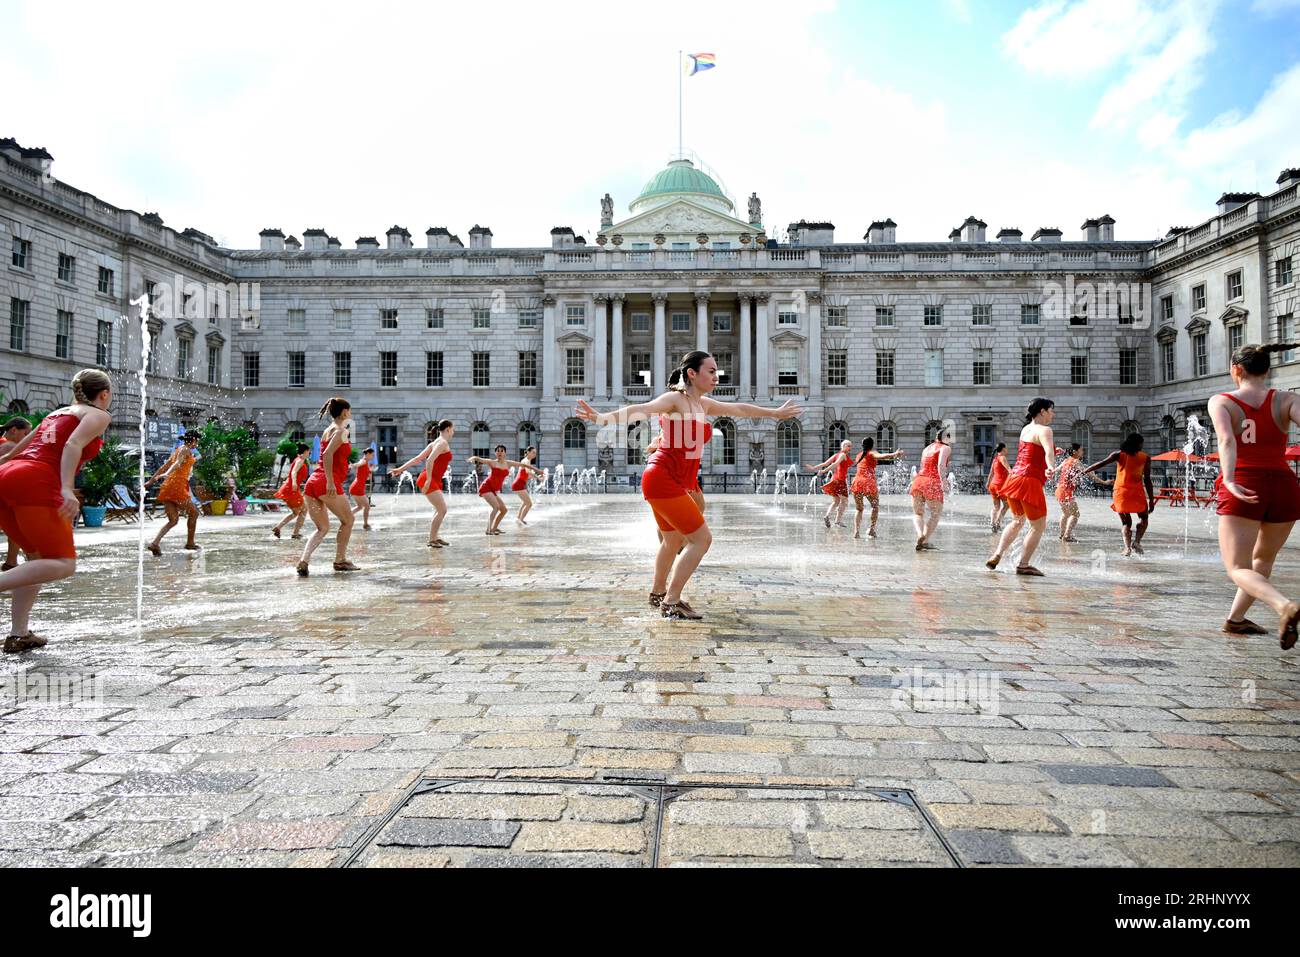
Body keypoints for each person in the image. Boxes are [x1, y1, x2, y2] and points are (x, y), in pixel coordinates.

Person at [575, 350, 801, 620]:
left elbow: (740, 408)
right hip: (663, 477)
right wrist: (602, 418)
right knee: (702, 539)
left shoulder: (702, 404)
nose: (716, 376)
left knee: (672, 540)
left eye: (717, 371)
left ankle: (658, 593)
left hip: (675, 479)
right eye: (711, 371)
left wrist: (774, 413)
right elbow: (642, 410)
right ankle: (672, 601)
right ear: (692, 374)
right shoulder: (676, 399)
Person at [0, 369, 112, 653]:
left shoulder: (58, 412)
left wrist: (5, 464)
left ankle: (19, 635)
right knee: (63, 562)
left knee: (36, 560)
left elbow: (23, 446)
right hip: (36, 480)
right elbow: (73, 444)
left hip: (9, 476)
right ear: (104, 394)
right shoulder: (97, 414)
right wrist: (65, 488)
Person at [1207, 343, 1300, 648]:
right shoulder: (1287, 399)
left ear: (1236, 370)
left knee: (1237, 568)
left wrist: (1230, 479)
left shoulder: (1222, 401)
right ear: (1267, 370)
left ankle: (1284, 606)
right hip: (1285, 486)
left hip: (1245, 483)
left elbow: (1226, 440)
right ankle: (1235, 620)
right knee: (1263, 559)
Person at [987, 398, 1057, 576]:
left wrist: (1053, 454)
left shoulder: (1025, 429)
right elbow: (1047, 452)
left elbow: (1031, 453)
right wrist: (1050, 467)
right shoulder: (1045, 430)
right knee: (1038, 526)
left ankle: (997, 553)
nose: (1053, 414)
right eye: (1051, 410)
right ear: (1042, 411)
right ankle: (1023, 564)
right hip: (1029, 481)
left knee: (1017, 521)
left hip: (1014, 479)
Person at [297, 397, 358, 575]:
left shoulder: (327, 430)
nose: (351, 415)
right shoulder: (341, 431)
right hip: (326, 483)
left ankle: (304, 560)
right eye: (350, 411)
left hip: (312, 483)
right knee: (348, 521)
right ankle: (340, 560)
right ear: (345, 412)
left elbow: (328, 455)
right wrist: (331, 481)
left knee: (322, 528)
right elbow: (328, 454)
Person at [1084, 434, 1153, 555]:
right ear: (1138, 444)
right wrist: (1152, 500)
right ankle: (1137, 542)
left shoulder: (1119, 455)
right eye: (1142, 443)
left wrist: (1086, 470)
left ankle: (1127, 548)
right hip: (1137, 493)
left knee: (1126, 523)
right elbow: (1147, 480)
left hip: (1121, 493)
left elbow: (1102, 463)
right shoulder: (1145, 458)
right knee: (1144, 518)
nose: (1142, 446)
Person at [393, 420, 455, 547]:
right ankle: (432, 540)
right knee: (442, 510)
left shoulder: (435, 443)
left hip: (433, 479)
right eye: (453, 429)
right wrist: (428, 480)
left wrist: (400, 469)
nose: (453, 432)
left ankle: (435, 537)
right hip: (430, 479)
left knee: (439, 510)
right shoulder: (442, 443)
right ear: (448, 429)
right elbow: (429, 460)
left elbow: (417, 459)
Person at [144, 431, 201, 555]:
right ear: (193, 440)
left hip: (168, 486)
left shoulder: (178, 449)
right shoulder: (185, 450)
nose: (197, 444)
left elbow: (163, 466)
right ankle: (190, 543)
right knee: (194, 513)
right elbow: (176, 464)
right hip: (177, 486)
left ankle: (155, 544)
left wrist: (151, 481)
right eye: (197, 441)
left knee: (173, 520)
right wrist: (166, 474)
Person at [468, 445, 539, 535]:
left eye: (502, 451)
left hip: (493, 490)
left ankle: (494, 528)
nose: (500, 452)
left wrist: (537, 470)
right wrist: (474, 457)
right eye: (498, 451)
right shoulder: (492, 462)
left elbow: (522, 465)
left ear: (505, 453)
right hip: (486, 487)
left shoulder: (508, 463)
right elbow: (481, 459)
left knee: (504, 510)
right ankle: (488, 530)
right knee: (496, 507)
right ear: (495, 453)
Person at [849, 437, 905, 539]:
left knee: (859, 509)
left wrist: (891, 456)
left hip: (857, 482)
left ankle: (856, 532)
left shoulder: (859, 455)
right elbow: (881, 456)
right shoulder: (871, 453)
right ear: (872, 445)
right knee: (875, 507)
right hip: (868, 483)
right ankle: (871, 529)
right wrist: (893, 454)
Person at [909, 431, 951, 550]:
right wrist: (943, 480)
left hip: (919, 481)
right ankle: (925, 540)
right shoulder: (945, 448)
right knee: (935, 514)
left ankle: (920, 535)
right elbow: (941, 465)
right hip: (932, 482)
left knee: (918, 513)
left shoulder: (927, 448)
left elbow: (922, 465)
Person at [0, 416, 33, 571]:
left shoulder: (4, 444)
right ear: (14, 430)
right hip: (7, 496)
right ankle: (14, 562)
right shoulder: (10, 446)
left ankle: (12, 562)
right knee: (17, 529)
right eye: (26, 434)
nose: (28, 439)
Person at [808, 440, 853, 528]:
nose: (850, 448)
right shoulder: (843, 455)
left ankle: (827, 516)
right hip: (840, 480)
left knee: (836, 501)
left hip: (835, 480)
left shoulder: (836, 455)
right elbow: (835, 464)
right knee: (844, 501)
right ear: (843, 446)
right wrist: (824, 471)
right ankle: (838, 521)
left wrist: (814, 468)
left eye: (851, 446)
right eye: (848, 446)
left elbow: (825, 463)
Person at [272, 442, 310, 539]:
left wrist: (294, 483)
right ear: (305, 451)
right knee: (303, 510)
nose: (309, 454)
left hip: (290, 488)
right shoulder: (300, 460)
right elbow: (293, 472)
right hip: (291, 488)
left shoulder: (298, 459)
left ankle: (278, 527)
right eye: (309, 452)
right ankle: (295, 533)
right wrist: (293, 482)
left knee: (297, 512)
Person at [510, 446, 540, 524]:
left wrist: (537, 477)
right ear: (528, 452)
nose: (535, 454)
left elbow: (528, 475)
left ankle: (518, 518)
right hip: (518, 484)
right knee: (529, 504)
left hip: (519, 483)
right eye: (533, 452)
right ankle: (521, 520)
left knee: (524, 502)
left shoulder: (526, 460)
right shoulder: (526, 460)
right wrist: (538, 477)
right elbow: (527, 471)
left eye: (535, 453)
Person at [986, 443, 1011, 533]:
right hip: (1000, 485)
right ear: (1003, 449)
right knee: (1007, 505)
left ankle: (992, 524)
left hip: (993, 485)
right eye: (1006, 448)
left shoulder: (995, 459)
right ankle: (998, 523)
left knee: (996, 507)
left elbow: (991, 473)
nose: (1007, 450)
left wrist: (988, 483)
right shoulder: (1002, 458)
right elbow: (1009, 470)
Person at [350, 447, 375, 530]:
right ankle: (365, 524)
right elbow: (359, 464)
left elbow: (366, 477)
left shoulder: (366, 462)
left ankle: (347, 515)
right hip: (357, 487)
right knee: (367, 506)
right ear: (368, 454)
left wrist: (369, 472)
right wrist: (354, 465)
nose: (373, 457)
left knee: (360, 507)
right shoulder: (364, 461)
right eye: (372, 455)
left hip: (356, 486)